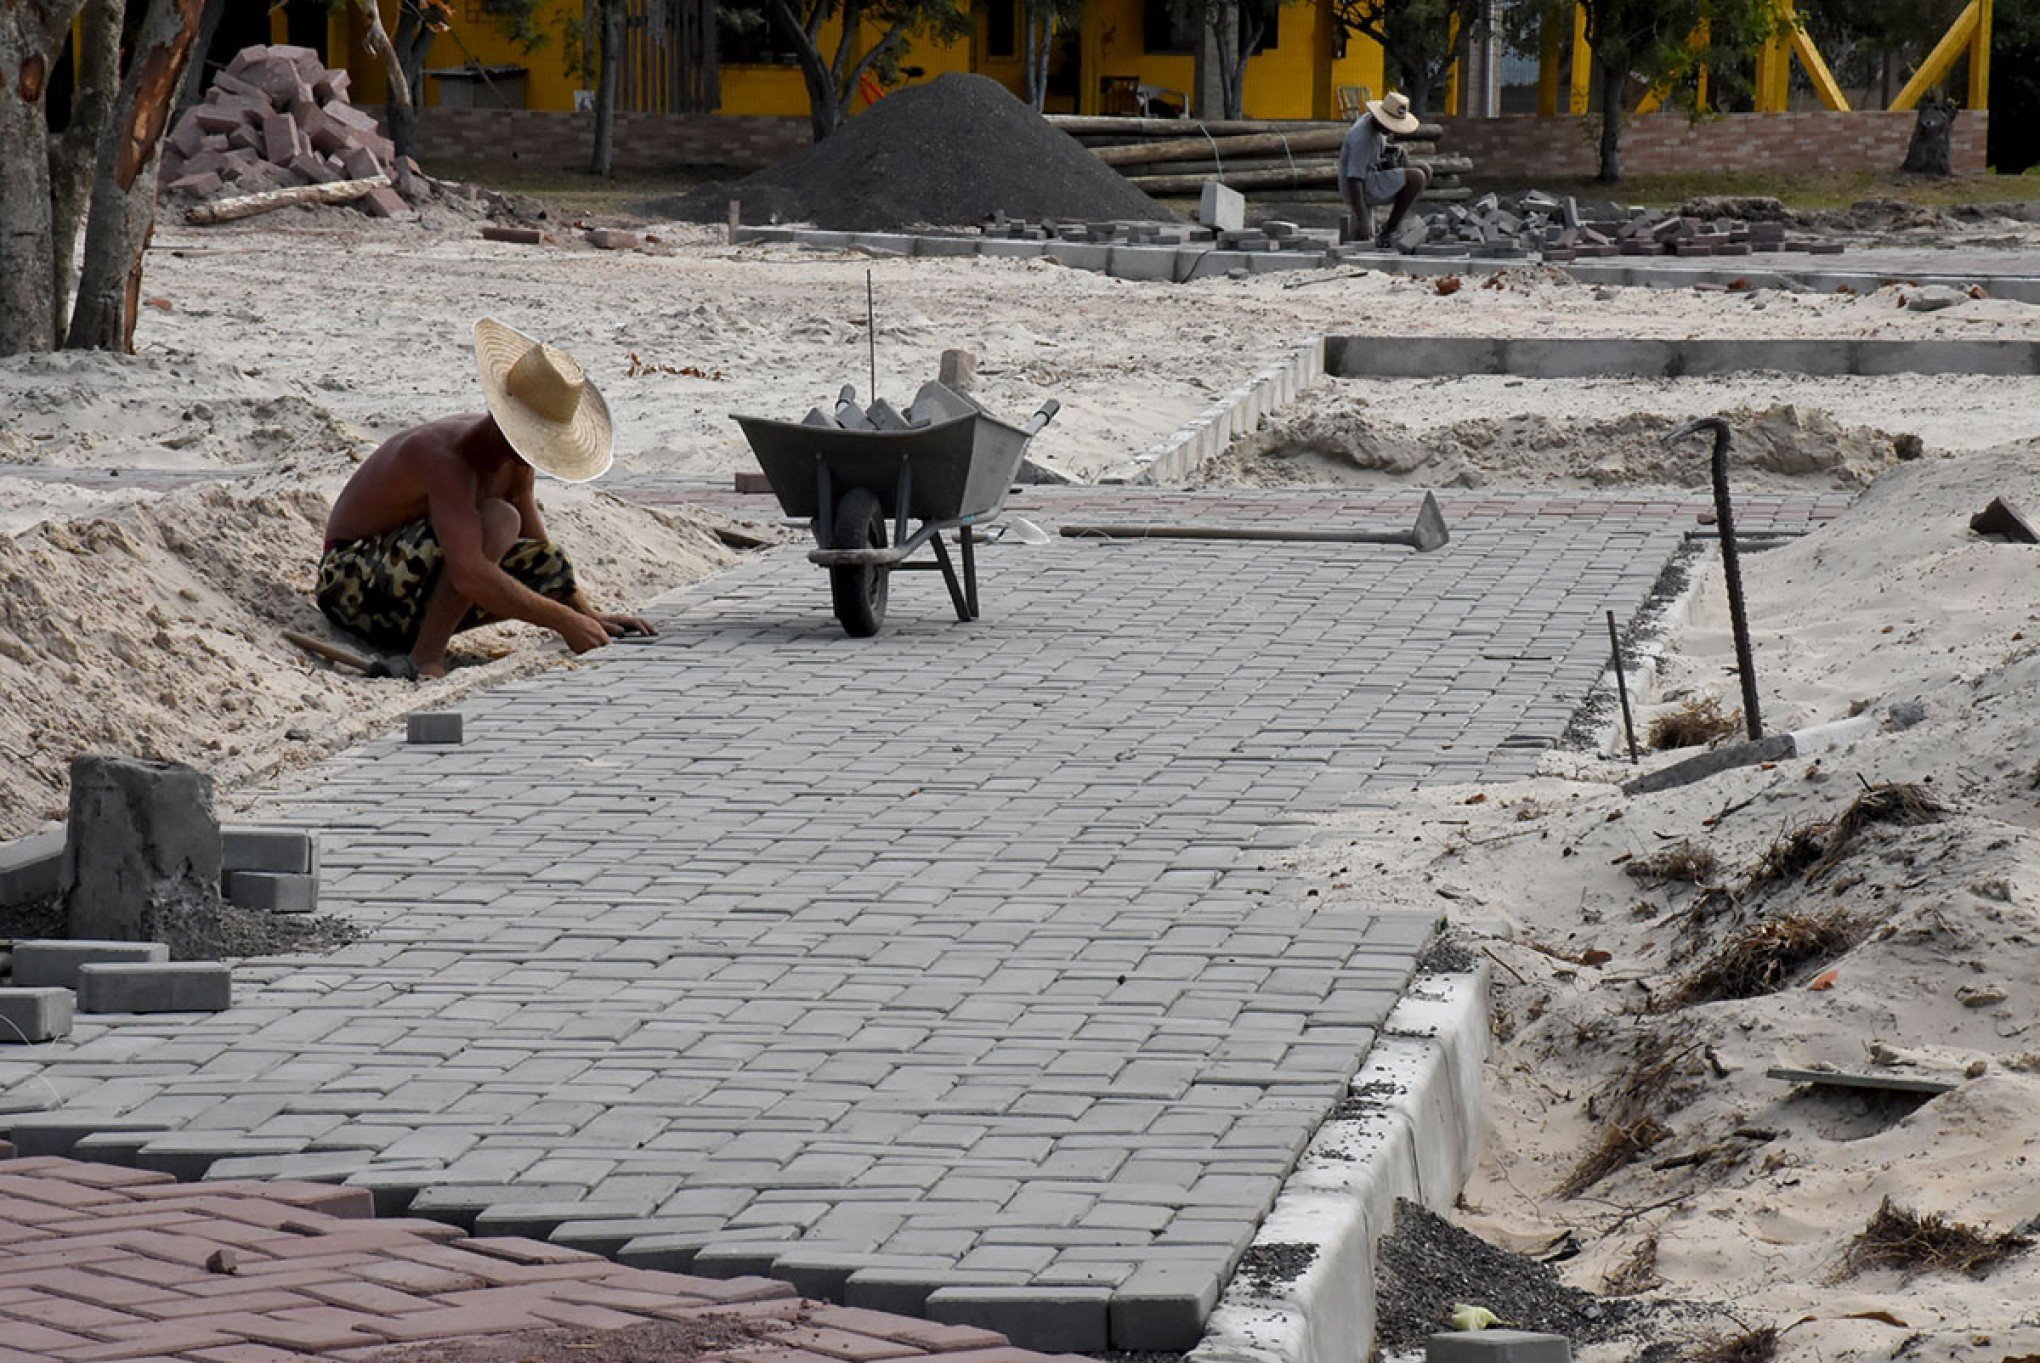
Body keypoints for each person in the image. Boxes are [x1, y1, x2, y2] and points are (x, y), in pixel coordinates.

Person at [316, 319, 654, 679]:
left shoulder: (516, 463)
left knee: (544, 558)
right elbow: (468, 574)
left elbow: (537, 549)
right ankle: (425, 656)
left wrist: (586, 614)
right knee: (498, 519)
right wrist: (563, 621)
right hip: (351, 586)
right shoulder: (443, 456)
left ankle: (427, 643)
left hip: (408, 591)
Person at [1338, 90, 1432, 251]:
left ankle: (1396, 221)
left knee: (1425, 169)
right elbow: (1354, 179)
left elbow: (1374, 150)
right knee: (1416, 177)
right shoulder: (1361, 137)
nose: (1392, 130)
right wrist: (1362, 219)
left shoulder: (1376, 126)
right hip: (1359, 188)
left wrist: (1390, 151)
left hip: (1370, 177)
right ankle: (1388, 231)